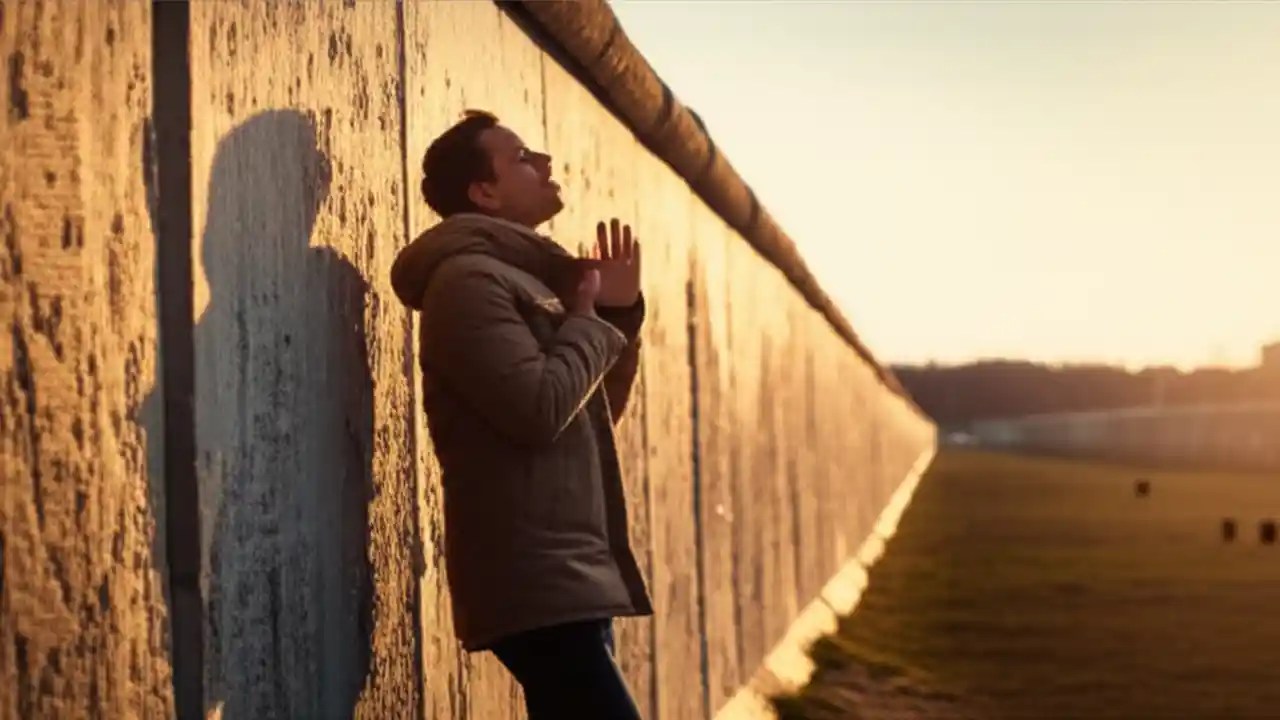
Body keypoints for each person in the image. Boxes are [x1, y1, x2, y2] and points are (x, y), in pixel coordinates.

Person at [390, 110, 651, 719]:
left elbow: (593, 418)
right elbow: (538, 411)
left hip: (569, 574)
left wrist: (616, 316)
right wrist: (586, 321)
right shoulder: (466, 283)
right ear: (484, 192)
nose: (546, 164)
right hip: (532, 575)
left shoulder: (526, 278)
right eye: (522, 157)